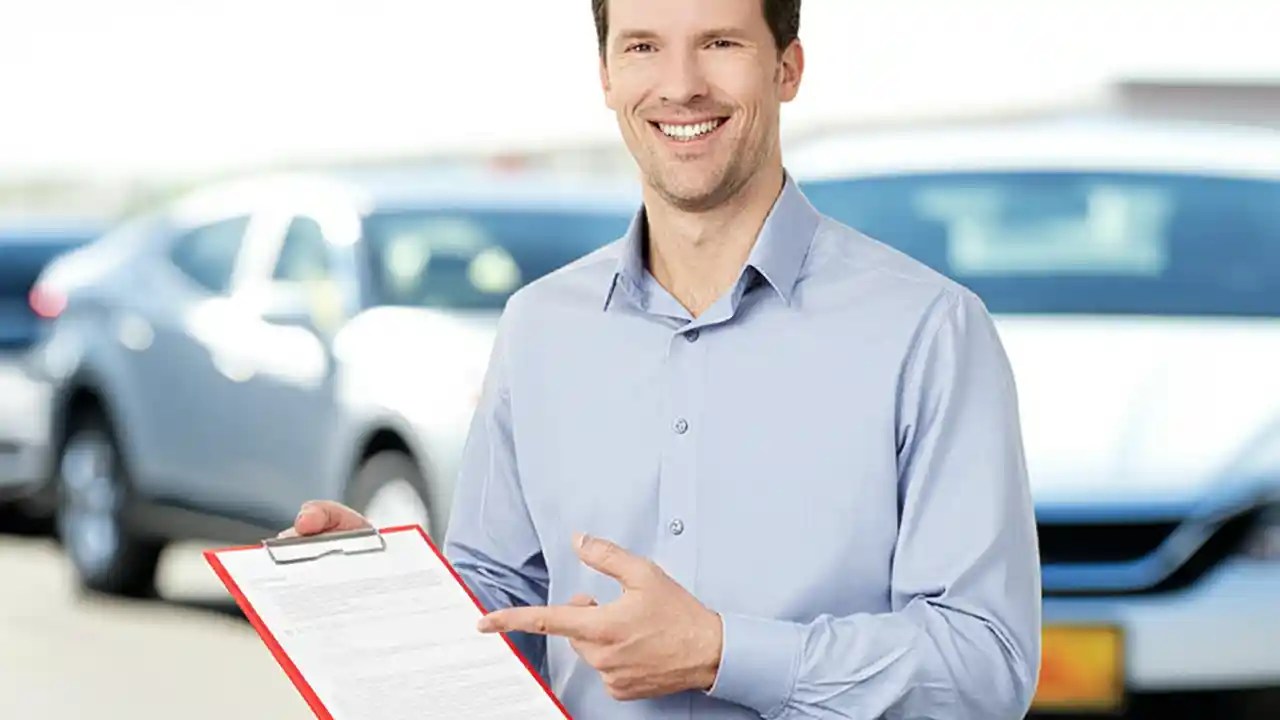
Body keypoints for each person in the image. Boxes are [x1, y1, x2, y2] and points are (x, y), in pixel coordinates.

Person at [283, 0, 1042, 716]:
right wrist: (389, 605)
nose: (680, 86)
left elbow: (986, 664)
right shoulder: (539, 327)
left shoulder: (929, 331)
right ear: (606, 77)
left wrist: (720, 652)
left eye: (720, 42)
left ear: (787, 68)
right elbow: (502, 609)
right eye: (643, 46)